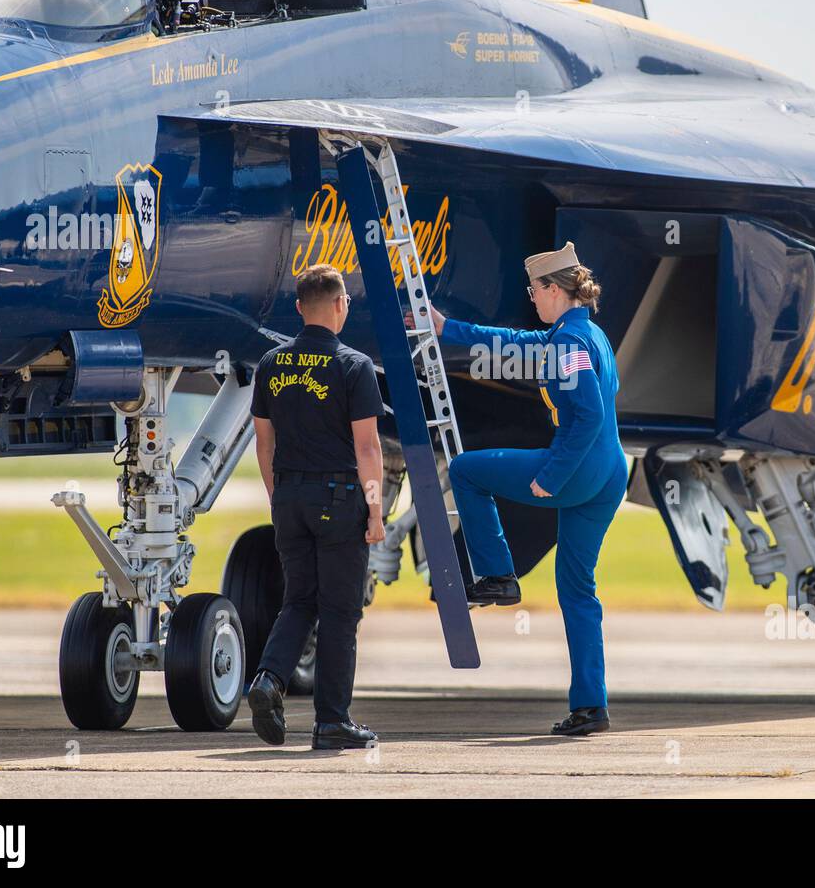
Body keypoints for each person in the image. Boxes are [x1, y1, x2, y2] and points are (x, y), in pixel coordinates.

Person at [431, 241, 627, 736]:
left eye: (534, 289)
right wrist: (447, 329)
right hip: (608, 474)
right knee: (579, 591)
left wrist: (550, 476)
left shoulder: (567, 344)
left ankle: (498, 574)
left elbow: (587, 416)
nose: (530, 297)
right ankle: (591, 707)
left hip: (578, 470)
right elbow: (514, 342)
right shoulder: (584, 335)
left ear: (555, 290)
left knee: (466, 471)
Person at [246, 265, 387, 750]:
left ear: (300, 308)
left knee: (299, 601)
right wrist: (375, 511)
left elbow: (264, 444)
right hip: (339, 499)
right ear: (341, 304)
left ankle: (268, 680)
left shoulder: (271, 364)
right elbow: (368, 449)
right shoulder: (354, 366)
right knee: (340, 612)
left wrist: (277, 496)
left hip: (288, 497)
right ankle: (332, 721)